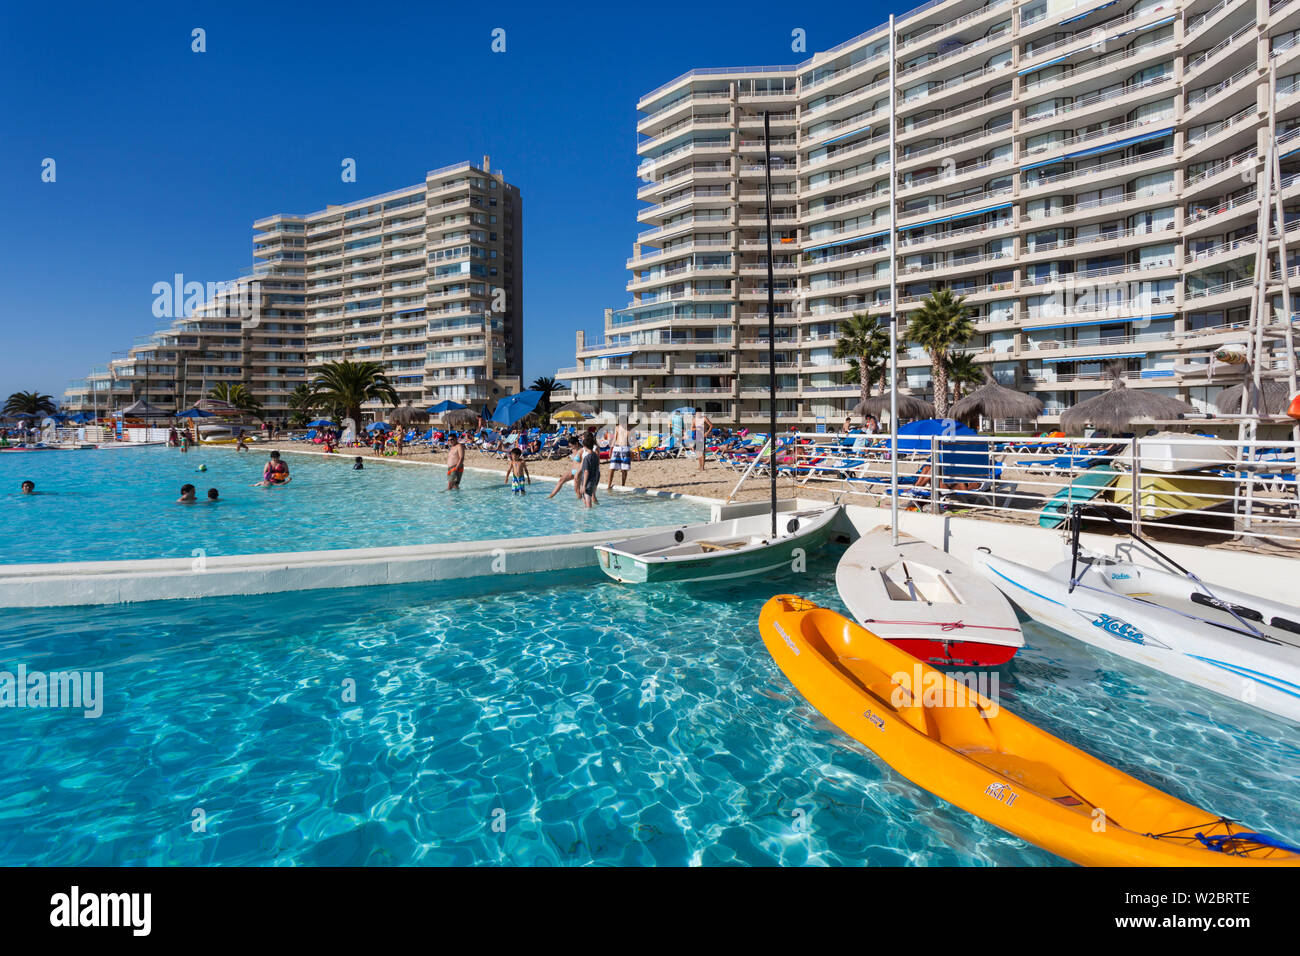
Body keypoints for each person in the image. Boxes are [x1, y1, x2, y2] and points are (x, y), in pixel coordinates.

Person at [607, 415, 632, 491]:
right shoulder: (617, 428)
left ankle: (623, 485)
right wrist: (611, 449)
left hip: (625, 449)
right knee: (612, 468)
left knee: (624, 469)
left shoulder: (629, 429)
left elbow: (632, 441)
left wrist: (636, 451)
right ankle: (609, 485)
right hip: (617, 448)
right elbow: (614, 438)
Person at [577, 433, 600, 508]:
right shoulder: (595, 456)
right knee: (589, 496)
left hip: (587, 481)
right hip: (593, 479)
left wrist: (583, 485)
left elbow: (586, 472)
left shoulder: (587, 458)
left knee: (587, 498)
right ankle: (587, 509)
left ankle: (589, 514)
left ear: (585, 446)